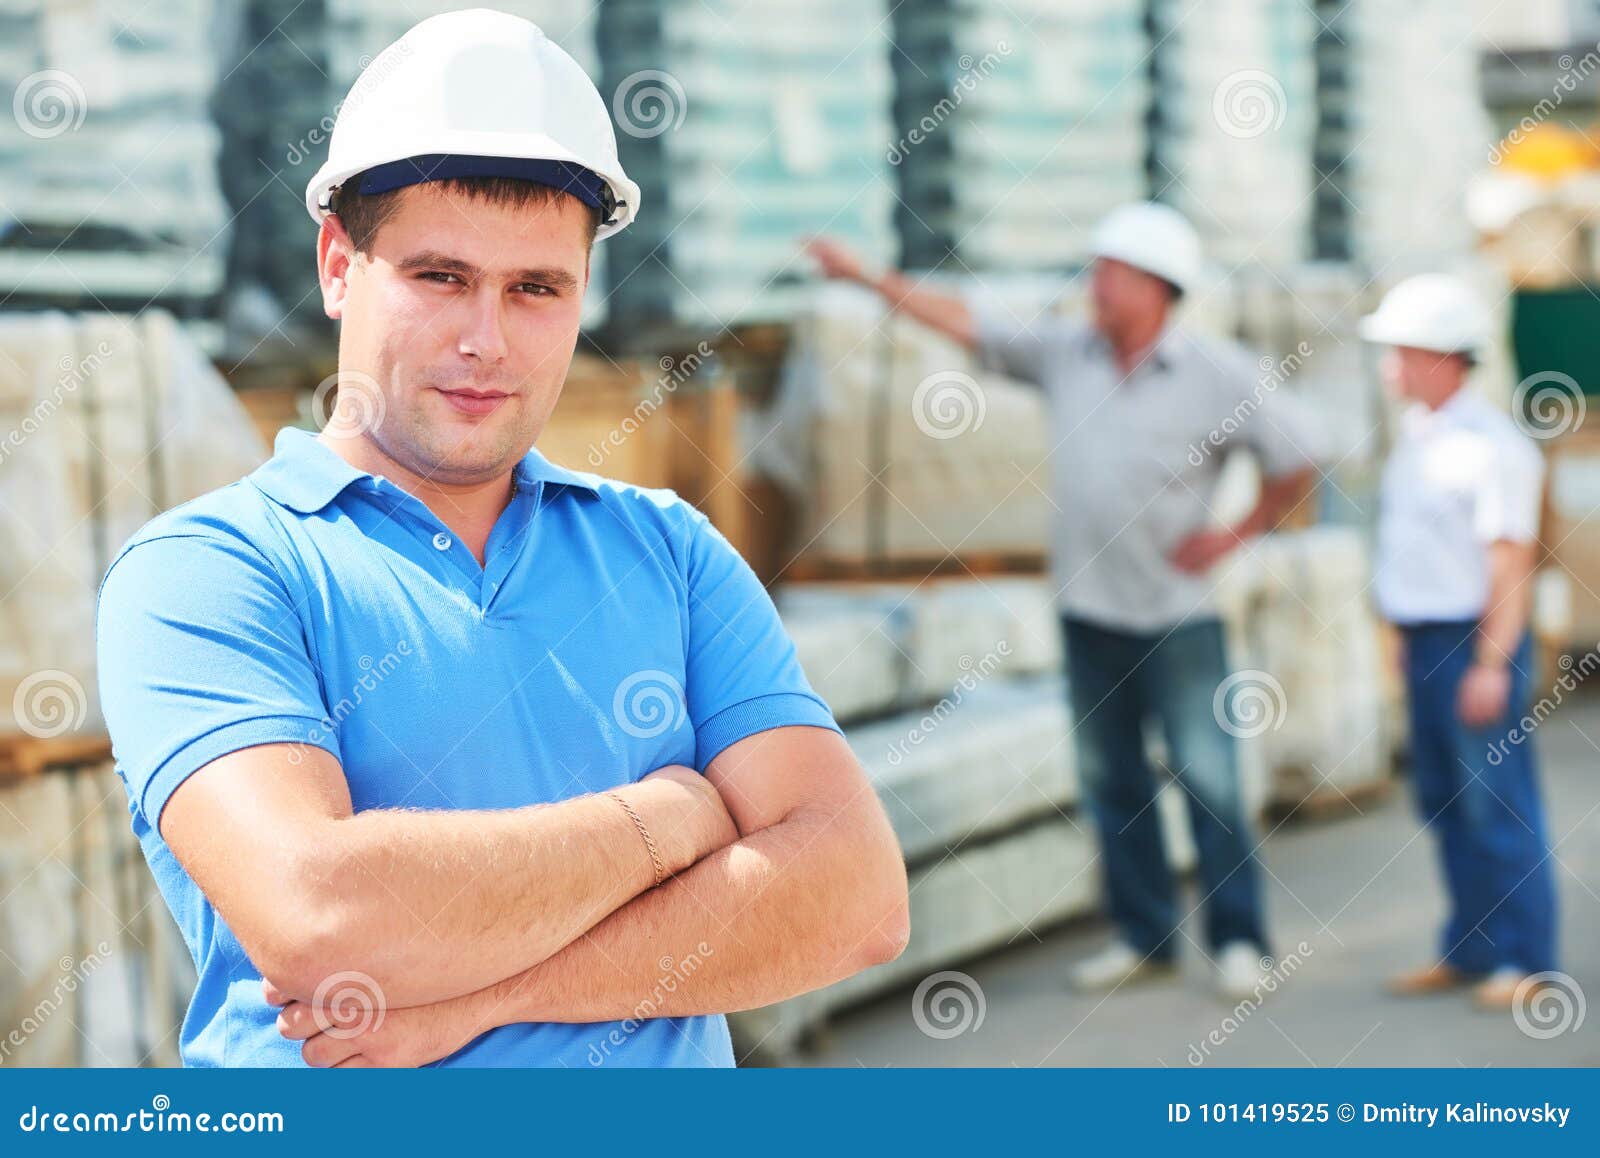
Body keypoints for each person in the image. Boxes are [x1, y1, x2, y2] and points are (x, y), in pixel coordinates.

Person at [95, 9, 907, 1068]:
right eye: (439, 277)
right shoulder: (208, 574)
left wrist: (473, 1002)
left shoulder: (668, 553)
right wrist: (669, 818)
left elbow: (853, 899)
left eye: (535, 289)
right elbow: (324, 919)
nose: (486, 340)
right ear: (340, 265)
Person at [807, 203, 1322, 1001]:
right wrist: (865, 278)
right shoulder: (1064, 356)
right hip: (1089, 615)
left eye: (1110, 274)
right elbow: (965, 323)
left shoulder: (1216, 374)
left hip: (1179, 617)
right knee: (1114, 784)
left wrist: (1236, 535)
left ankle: (1240, 941)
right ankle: (1146, 937)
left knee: (1211, 784)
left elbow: (1298, 457)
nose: (1096, 288)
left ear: (1157, 287)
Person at [1360, 273, 1558, 1010]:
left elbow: (1509, 561)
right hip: (1423, 639)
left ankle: (1527, 958)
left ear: (1442, 356)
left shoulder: (1491, 447)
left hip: (1471, 642)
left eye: (1400, 352)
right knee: (1445, 801)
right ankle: (1471, 947)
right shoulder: (1420, 438)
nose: (1389, 368)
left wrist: (1490, 662)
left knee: (1498, 803)